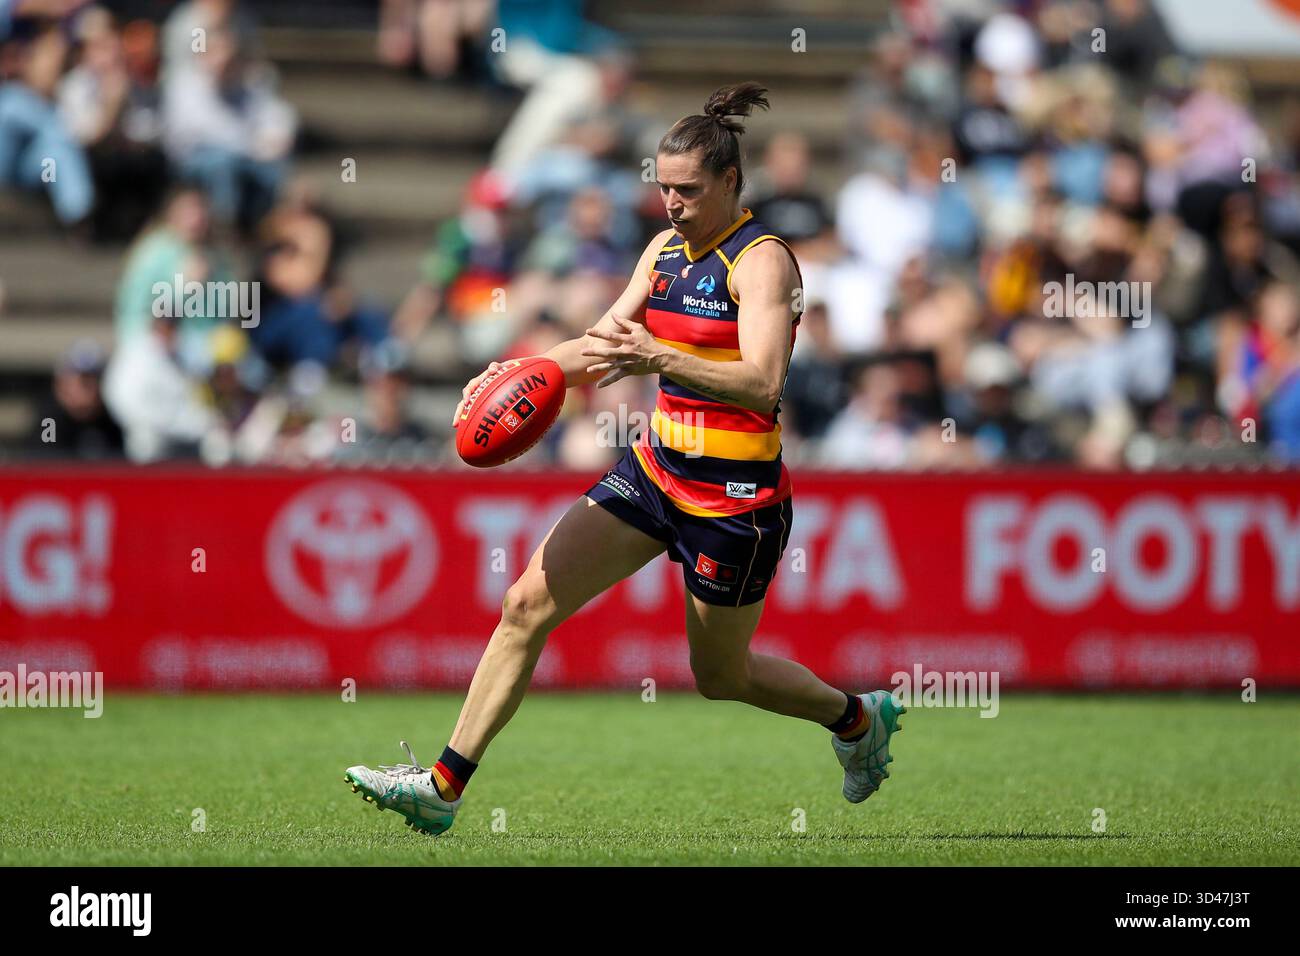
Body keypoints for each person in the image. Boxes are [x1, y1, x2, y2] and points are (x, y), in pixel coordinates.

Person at [343, 83, 906, 836]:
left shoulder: (761, 261)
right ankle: (442, 789)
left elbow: (763, 382)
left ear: (731, 183)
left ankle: (857, 719)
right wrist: (517, 370)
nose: (671, 203)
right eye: (663, 187)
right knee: (524, 606)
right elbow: (602, 347)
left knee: (721, 677)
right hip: (656, 472)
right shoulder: (664, 251)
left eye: (688, 190)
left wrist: (658, 355)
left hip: (735, 500)